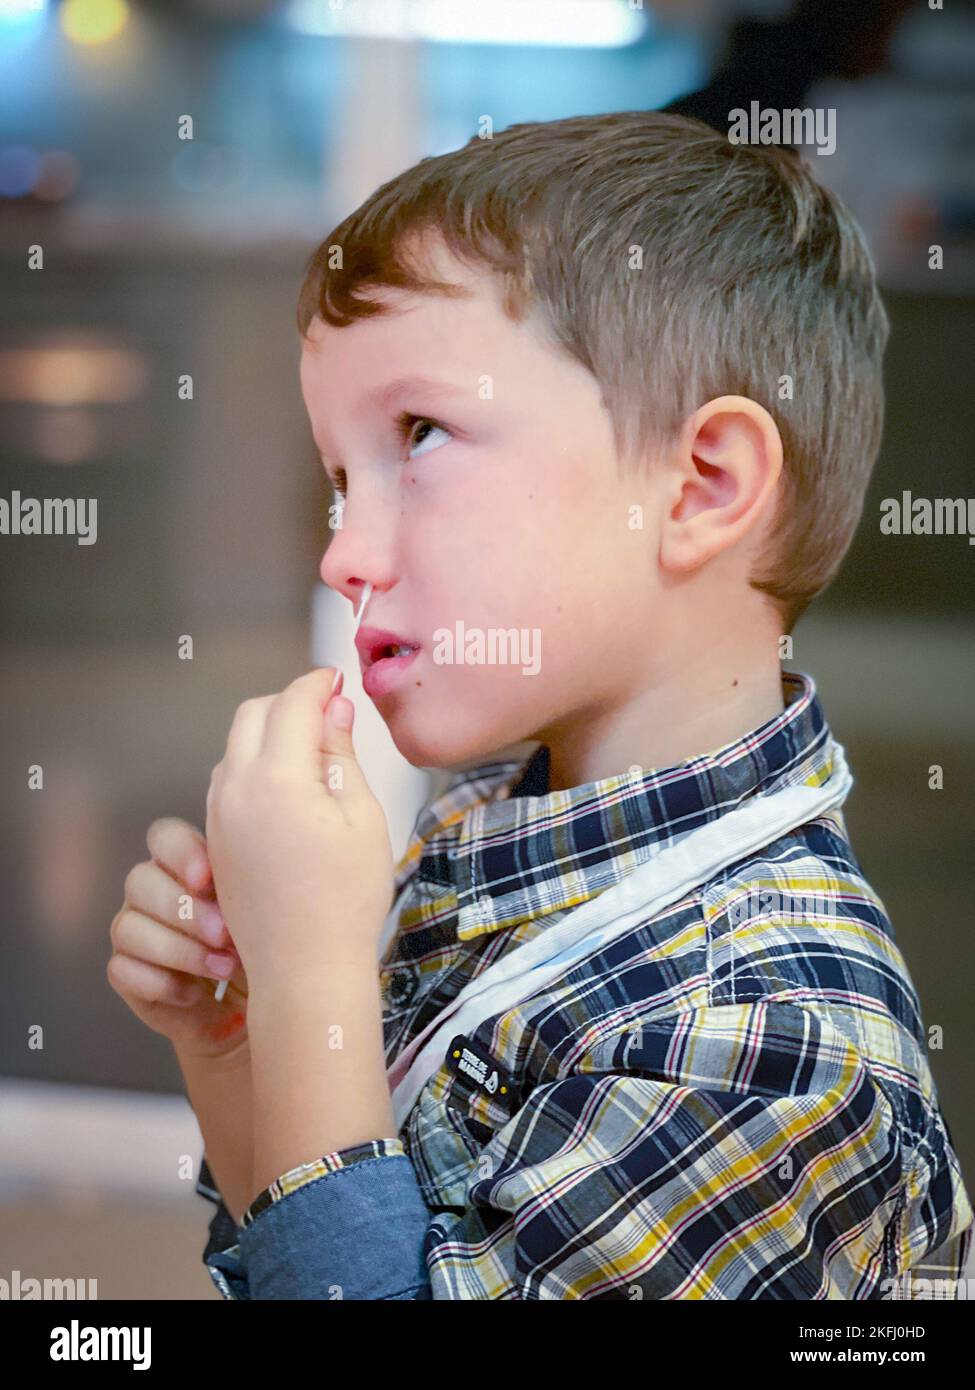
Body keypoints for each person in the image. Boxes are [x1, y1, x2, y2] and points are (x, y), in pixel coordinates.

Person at [109, 111, 972, 1299]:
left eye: (420, 435)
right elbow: (320, 1244)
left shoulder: (766, 1039)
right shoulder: (482, 827)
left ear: (702, 485)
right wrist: (243, 1041)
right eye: (339, 479)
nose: (343, 554)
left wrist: (317, 985)